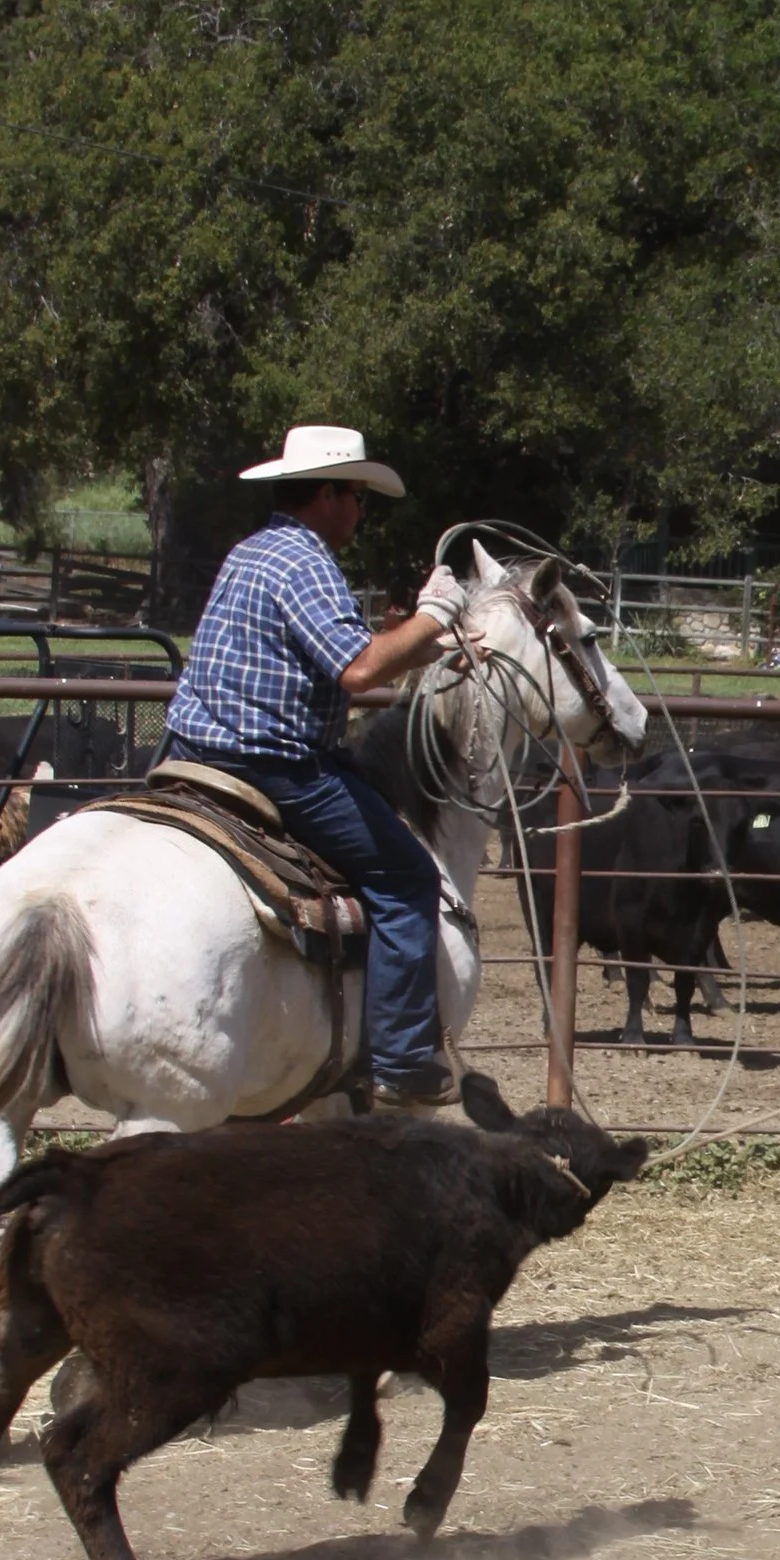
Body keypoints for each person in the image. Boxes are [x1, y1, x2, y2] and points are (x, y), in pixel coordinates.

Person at [162, 424, 472, 1110]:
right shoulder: (306, 561)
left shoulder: (253, 553)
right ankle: (398, 1056)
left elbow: (346, 651)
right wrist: (432, 615)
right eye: (356, 497)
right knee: (405, 876)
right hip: (275, 767)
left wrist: (420, 639)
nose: (360, 513)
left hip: (189, 755)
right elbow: (359, 670)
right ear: (328, 494)